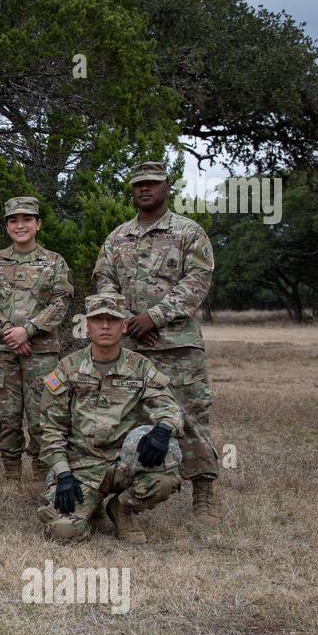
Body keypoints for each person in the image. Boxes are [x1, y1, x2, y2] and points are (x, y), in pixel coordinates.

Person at [92, 161, 219, 525]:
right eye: (138, 185)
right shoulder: (118, 238)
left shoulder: (189, 233)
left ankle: (204, 491)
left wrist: (156, 317)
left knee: (190, 414)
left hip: (177, 345)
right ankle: (124, 490)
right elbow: (104, 283)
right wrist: (130, 321)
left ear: (167, 187)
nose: (144, 189)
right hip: (130, 344)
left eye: (151, 183)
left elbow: (196, 282)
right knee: (123, 416)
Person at [36, 293, 183, 544]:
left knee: (166, 478)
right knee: (65, 533)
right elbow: (51, 428)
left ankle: (122, 508)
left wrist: (164, 428)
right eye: (98, 319)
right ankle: (88, 508)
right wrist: (63, 473)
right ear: (86, 326)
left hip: (125, 465)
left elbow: (169, 406)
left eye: (113, 320)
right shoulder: (68, 368)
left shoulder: (141, 367)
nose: (105, 326)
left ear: (124, 326)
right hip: (82, 467)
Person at [0, 195, 73, 487]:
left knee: (42, 415)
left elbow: (61, 301)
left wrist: (27, 331)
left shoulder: (54, 262)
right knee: (8, 416)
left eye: (27, 219)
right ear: (6, 227)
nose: (20, 225)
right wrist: (8, 332)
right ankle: (13, 476)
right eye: (13, 220)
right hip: (1, 352)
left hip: (41, 352)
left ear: (38, 224)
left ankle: (42, 475)